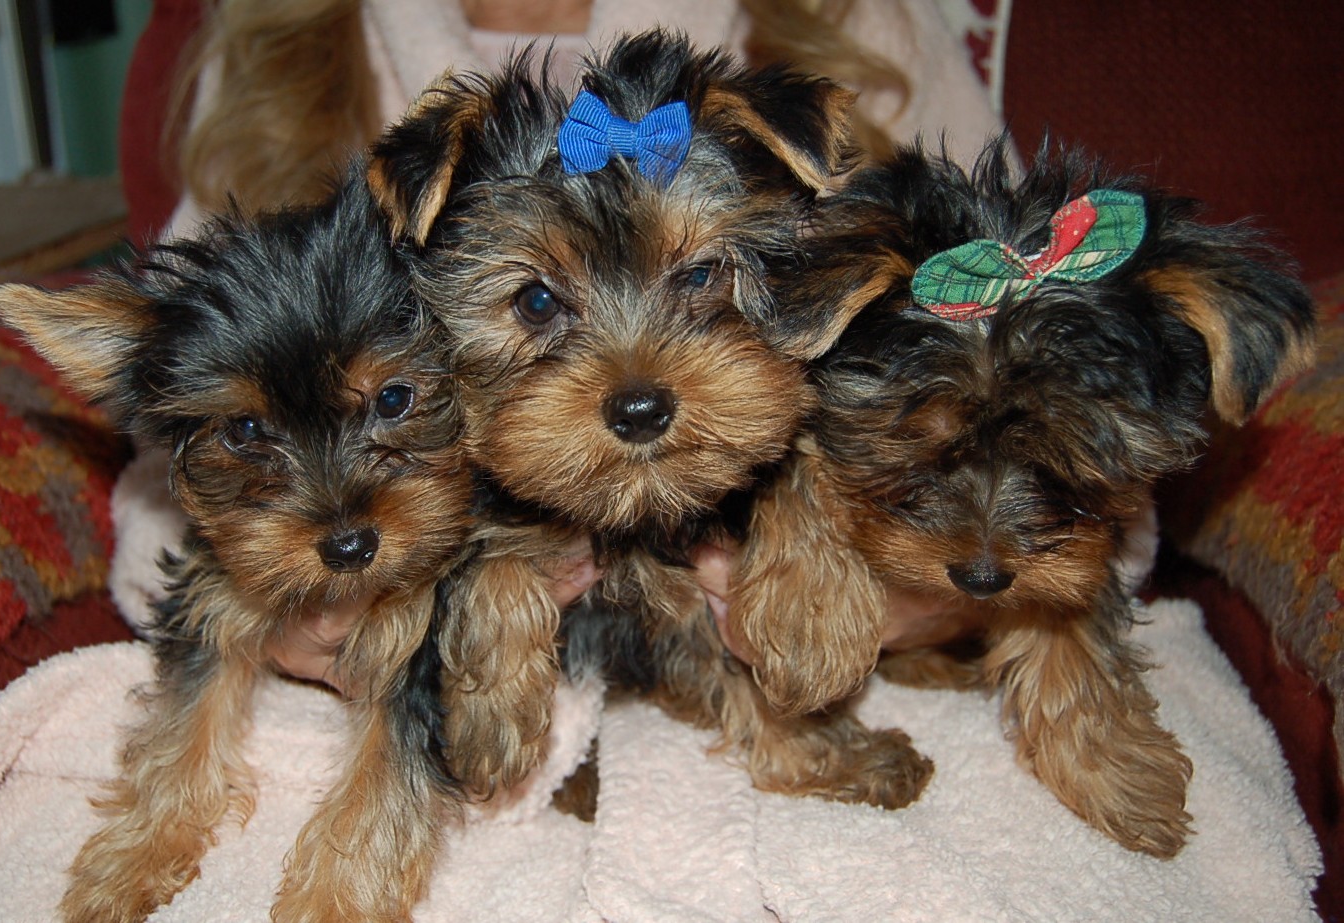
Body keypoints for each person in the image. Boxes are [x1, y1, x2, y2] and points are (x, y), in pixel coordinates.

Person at [111, 0, 1007, 689]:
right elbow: (181, 394)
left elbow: (1059, 351)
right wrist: (275, 616)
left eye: (698, 276)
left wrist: (944, 582)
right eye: (538, 301)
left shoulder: (853, 18)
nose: (637, 383)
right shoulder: (273, 50)